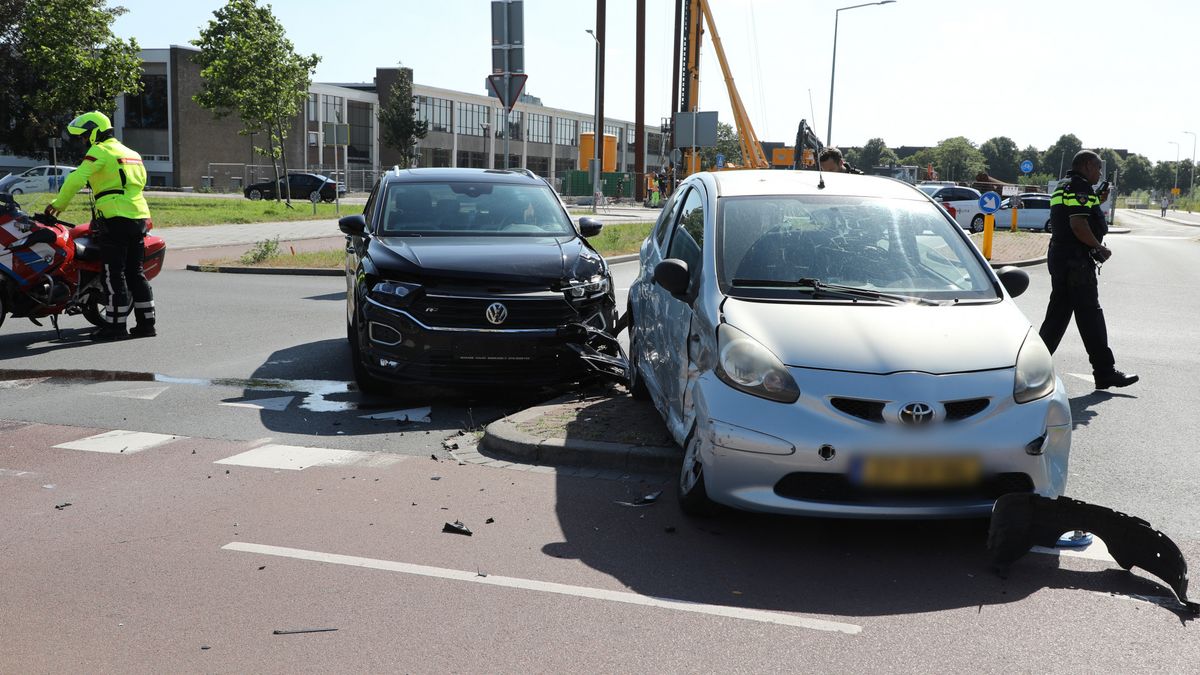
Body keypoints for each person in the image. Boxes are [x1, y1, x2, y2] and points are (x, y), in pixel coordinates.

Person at [45, 111, 155, 341]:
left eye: (84, 136)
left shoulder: (100, 151)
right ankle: (147, 324)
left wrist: (58, 205)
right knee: (135, 272)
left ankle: (115, 327)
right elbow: (142, 182)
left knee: (112, 274)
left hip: (114, 218)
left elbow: (76, 179)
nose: (83, 141)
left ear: (94, 132)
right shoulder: (132, 153)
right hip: (139, 216)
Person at [1038, 150, 1137, 389]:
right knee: (1090, 314)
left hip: (1063, 258)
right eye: (1097, 167)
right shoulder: (1080, 187)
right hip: (1075, 262)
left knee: (1058, 316)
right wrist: (1097, 247)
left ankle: (1031, 368)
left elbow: (1075, 215)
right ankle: (1104, 372)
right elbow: (1078, 223)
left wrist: (1096, 200)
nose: (1099, 172)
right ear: (1085, 166)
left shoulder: (1066, 185)